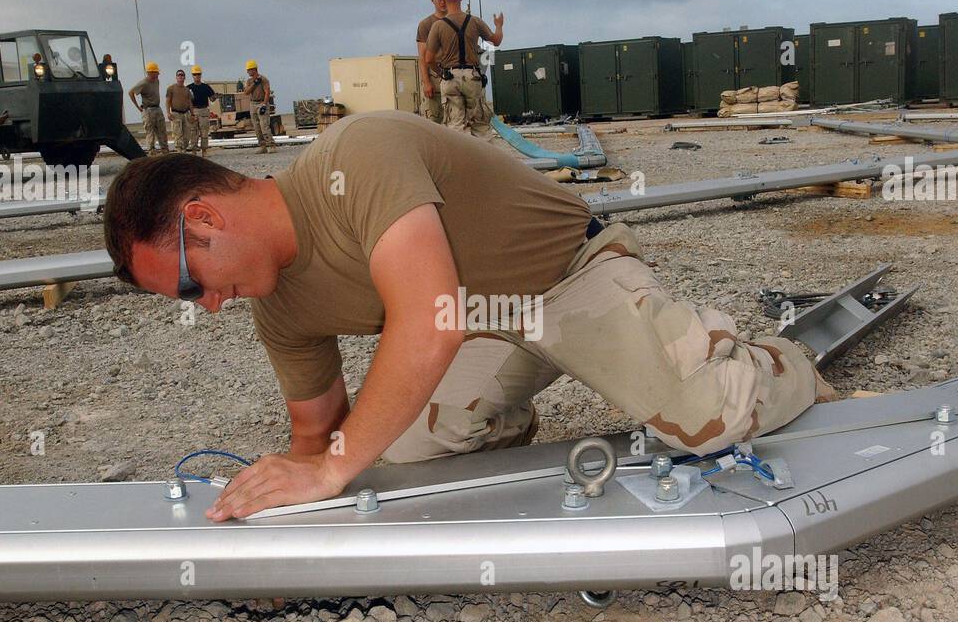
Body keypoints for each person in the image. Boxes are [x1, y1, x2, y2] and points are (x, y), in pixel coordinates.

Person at [100, 111, 831, 520]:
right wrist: (286, 495)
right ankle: (503, 423)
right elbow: (318, 438)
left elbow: (431, 318)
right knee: (404, 457)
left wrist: (330, 470)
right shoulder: (276, 303)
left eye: (194, 287)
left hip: (568, 278)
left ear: (203, 217)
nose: (213, 306)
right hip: (486, 325)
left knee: (699, 420)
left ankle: (774, 363)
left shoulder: (354, 156)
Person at [422, 0, 503, 137]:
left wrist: (442, 73)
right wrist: (499, 25)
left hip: (450, 78)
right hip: (472, 77)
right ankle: (485, 160)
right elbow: (496, 41)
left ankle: (461, 160)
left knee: (455, 128)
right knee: (480, 126)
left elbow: (428, 59)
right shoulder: (474, 21)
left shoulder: (437, 26)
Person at [415, 0, 449, 124]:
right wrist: (426, 82)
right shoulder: (425, 25)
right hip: (435, 79)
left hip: (454, 76)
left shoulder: (459, 21)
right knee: (433, 123)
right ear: (432, 0)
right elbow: (422, 57)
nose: (442, 2)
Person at [128, 62, 168, 153]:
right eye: (156, 72)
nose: (158, 74)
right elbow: (131, 92)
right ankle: (151, 152)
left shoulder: (157, 81)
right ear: (150, 73)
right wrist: (138, 107)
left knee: (162, 132)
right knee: (150, 133)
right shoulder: (143, 83)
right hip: (148, 110)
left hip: (157, 108)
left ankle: (165, 151)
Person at [243, 60, 274, 153]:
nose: (247, 72)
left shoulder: (264, 79)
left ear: (254, 70)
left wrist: (264, 104)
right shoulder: (249, 81)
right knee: (256, 127)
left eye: (249, 70)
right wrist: (254, 83)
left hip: (261, 103)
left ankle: (271, 145)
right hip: (253, 104)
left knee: (264, 125)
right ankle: (262, 146)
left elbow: (267, 92)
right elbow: (246, 92)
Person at [186, 66, 217, 155]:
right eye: (195, 74)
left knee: (204, 132)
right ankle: (194, 151)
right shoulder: (189, 88)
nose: (197, 76)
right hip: (194, 111)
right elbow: (185, 100)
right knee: (193, 132)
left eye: (198, 74)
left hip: (203, 110)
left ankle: (204, 151)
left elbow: (212, 98)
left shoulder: (205, 87)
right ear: (192, 75)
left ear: (201, 75)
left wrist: (215, 96)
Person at [165, 69, 194, 152]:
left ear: (184, 77)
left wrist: (192, 114)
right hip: (175, 114)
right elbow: (167, 101)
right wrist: (168, 113)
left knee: (187, 134)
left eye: (182, 75)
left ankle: (184, 150)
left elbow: (190, 103)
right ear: (176, 77)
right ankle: (179, 151)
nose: (180, 76)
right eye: (179, 75)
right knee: (178, 134)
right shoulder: (171, 88)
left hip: (185, 114)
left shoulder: (187, 90)